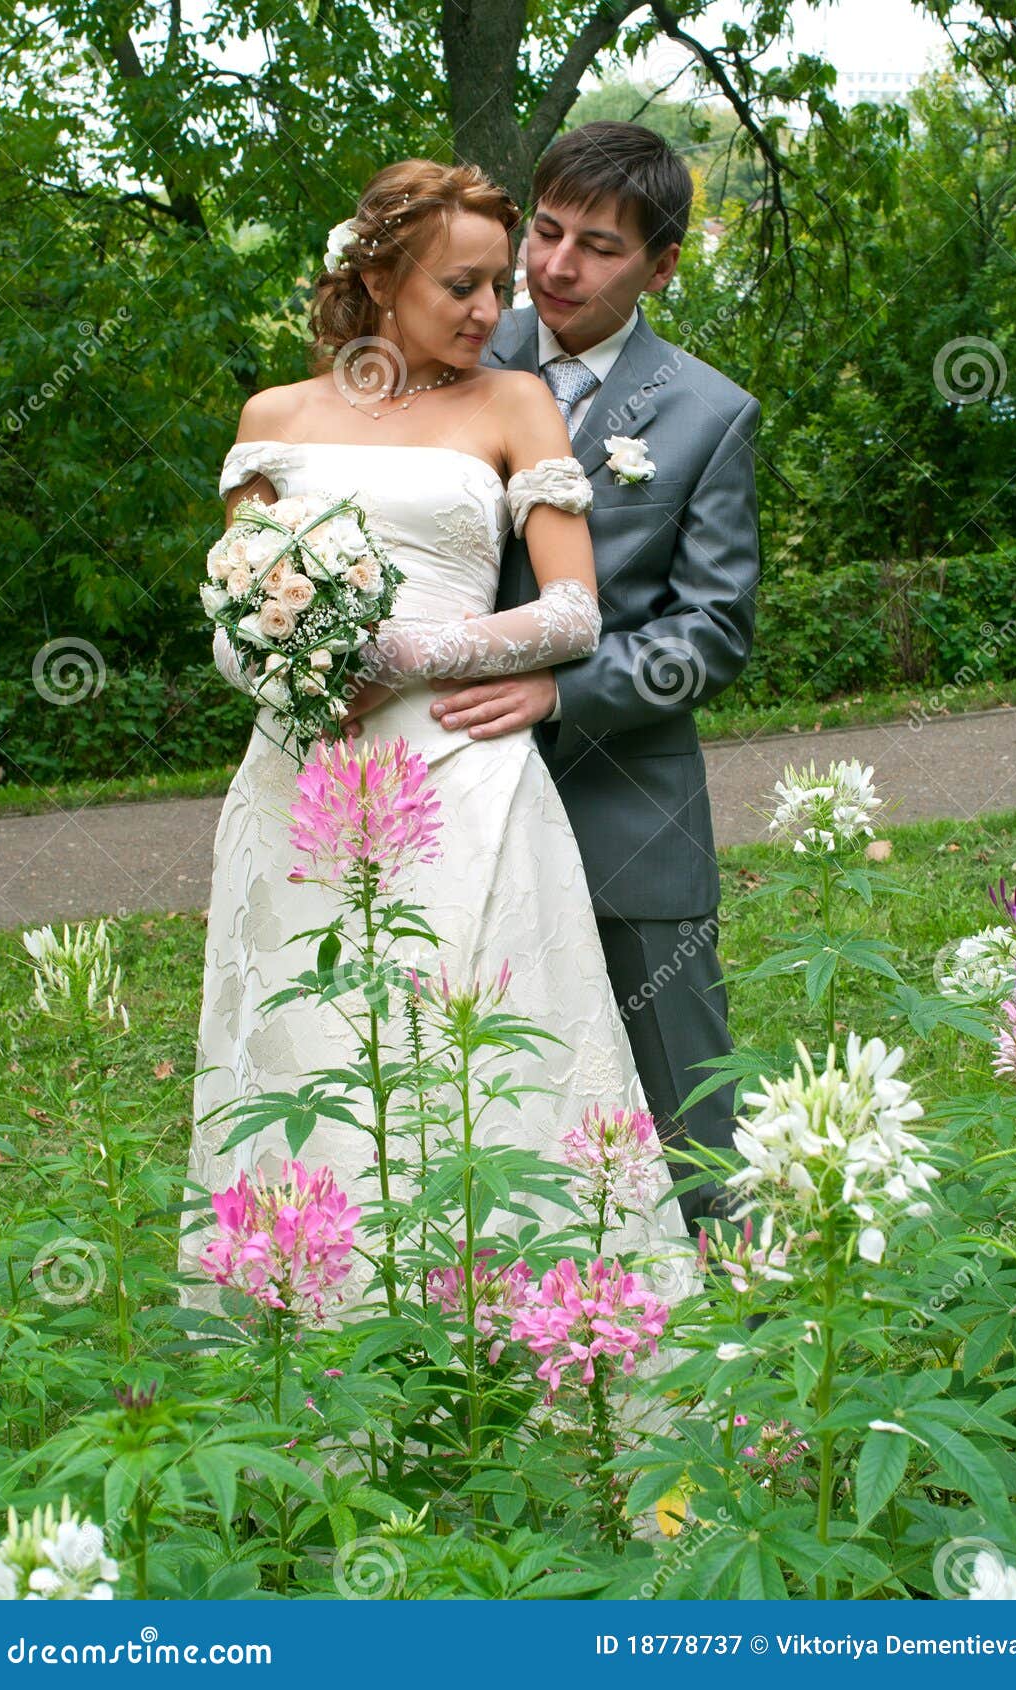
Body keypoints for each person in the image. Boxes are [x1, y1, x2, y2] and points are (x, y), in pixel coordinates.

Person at [181, 158, 689, 1301]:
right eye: (461, 286)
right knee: (312, 1048)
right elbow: (227, 617)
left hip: (467, 774)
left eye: (496, 285)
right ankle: (315, 1337)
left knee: (491, 1047)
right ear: (376, 276)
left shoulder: (514, 403)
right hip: (300, 777)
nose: (490, 313)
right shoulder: (276, 419)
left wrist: (395, 656)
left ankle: (525, 1331)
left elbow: (571, 608)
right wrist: (294, 678)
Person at [427, 123, 761, 1230]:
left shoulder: (710, 415)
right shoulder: (454, 351)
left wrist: (565, 691)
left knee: (685, 1100)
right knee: (466, 1077)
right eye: (550, 232)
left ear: (662, 265)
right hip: (451, 791)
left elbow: (711, 632)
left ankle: (748, 1327)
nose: (557, 267)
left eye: (602, 247)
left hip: (629, 811)